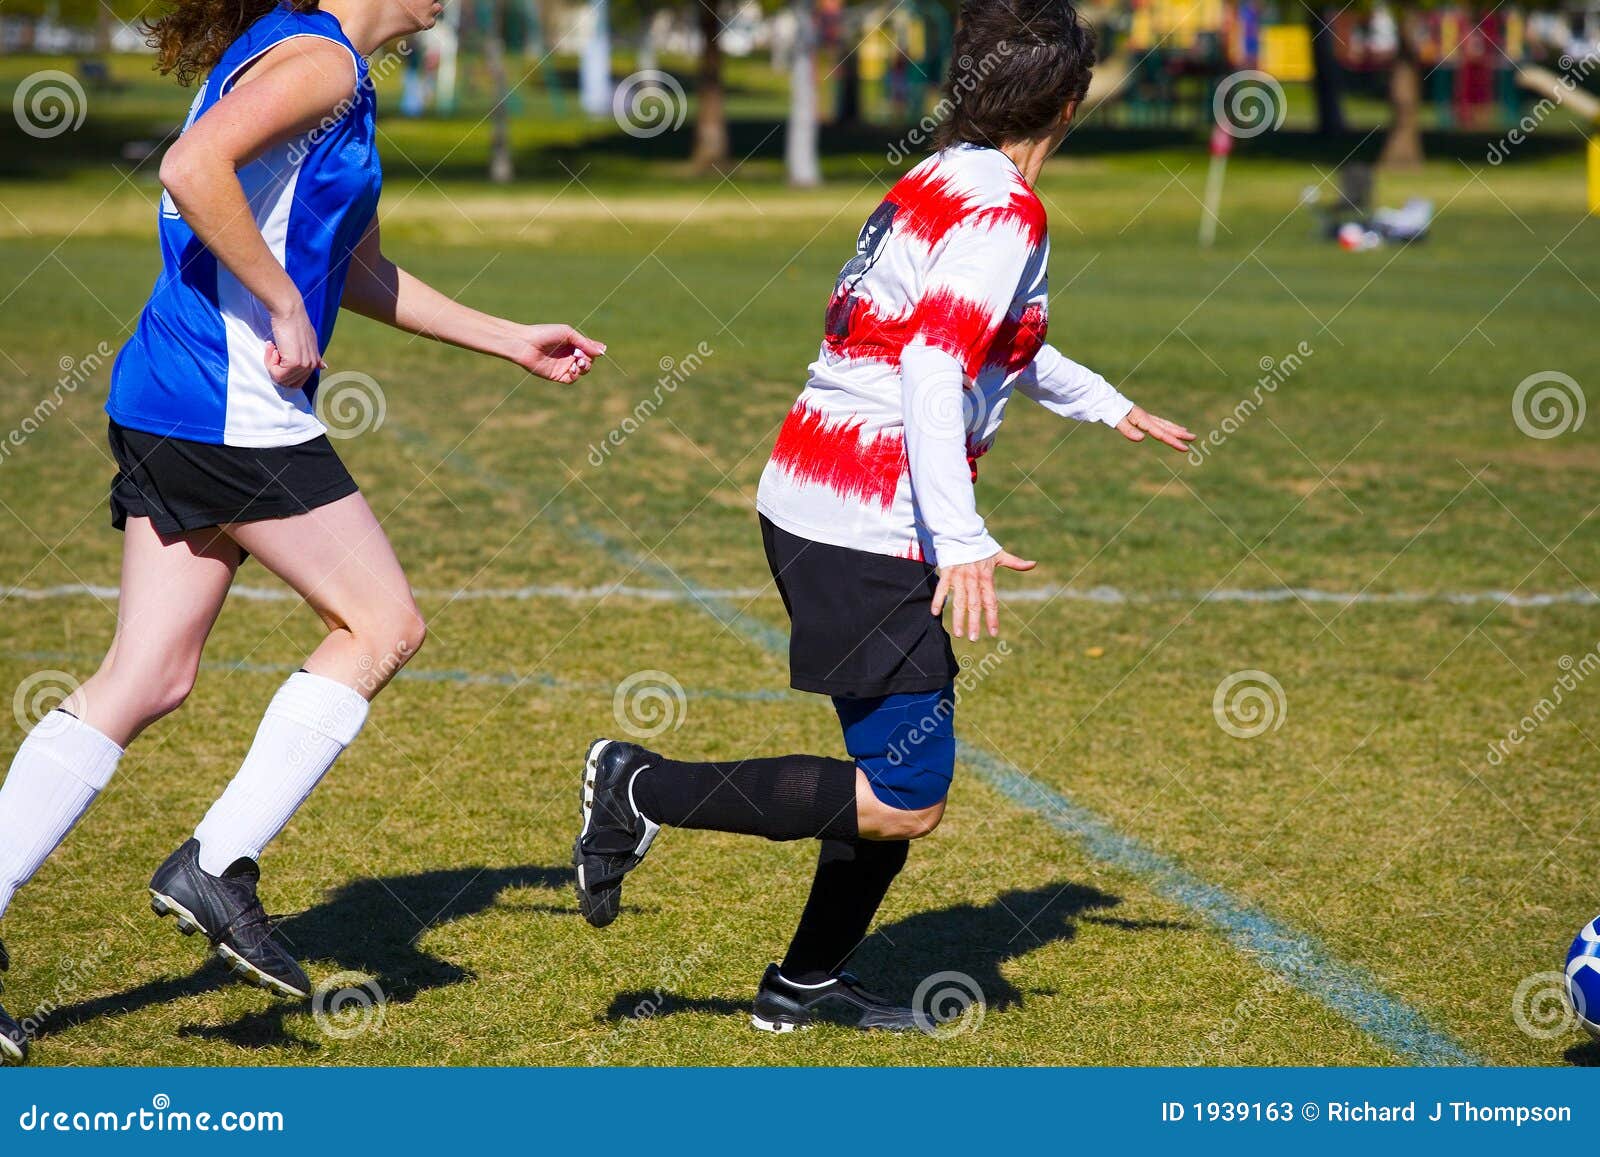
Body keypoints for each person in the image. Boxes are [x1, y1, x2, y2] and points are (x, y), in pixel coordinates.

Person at [0, 0, 604, 1065]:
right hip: (228, 405)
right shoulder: (319, 62)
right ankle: (218, 860)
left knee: (145, 676)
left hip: (172, 395)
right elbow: (192, 168)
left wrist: (507, 339)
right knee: (381, 624)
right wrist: (281, 303)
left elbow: (356, 269)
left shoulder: (325, 64)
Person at [571, 0, 1193, 1033]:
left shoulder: (939, 178)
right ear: (1070, 100)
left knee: (897, 765)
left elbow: (987, 342)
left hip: (817, 496)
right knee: (909, 790)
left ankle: (804, 981)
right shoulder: (1001, 208)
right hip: (862, 520)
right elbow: (933, 358)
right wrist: (960, 537)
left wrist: (1107, 403)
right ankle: (641, 787)